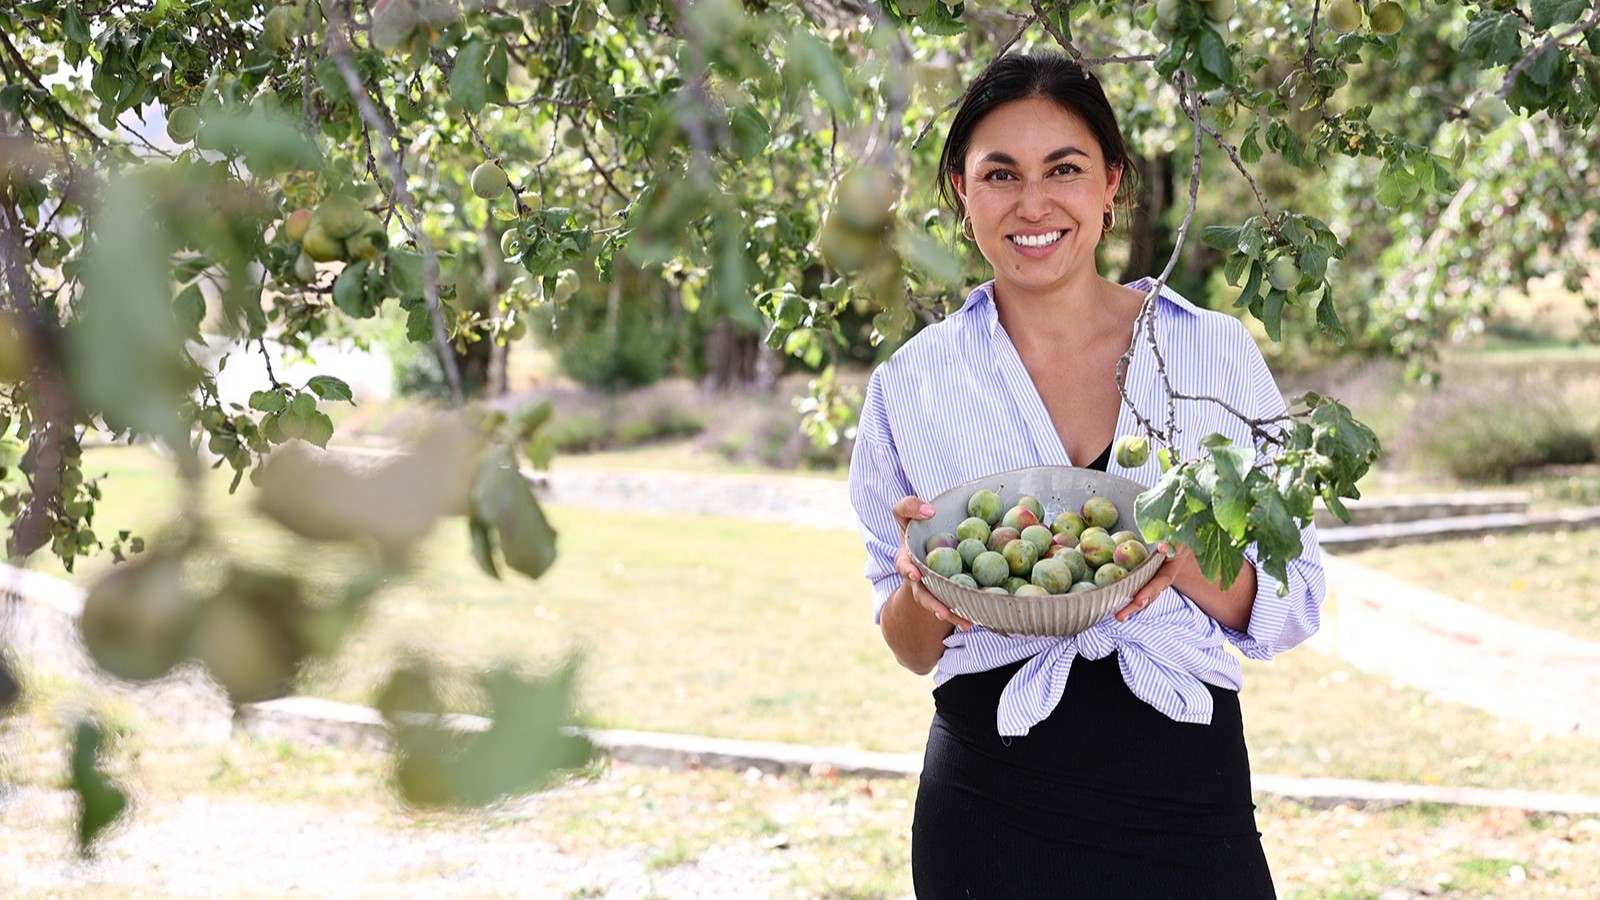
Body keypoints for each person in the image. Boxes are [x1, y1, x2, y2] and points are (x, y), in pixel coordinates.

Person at [846, 52, 1325, 899]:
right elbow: (908, 651)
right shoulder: (910, 386)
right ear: (962, 192)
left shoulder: (1211, 353)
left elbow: (1297, 601)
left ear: (1112, 183)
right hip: (988, 810)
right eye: (1001, 174)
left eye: (1062, 169)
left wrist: (1187, 559)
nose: (1033, 204)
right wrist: (921, 594)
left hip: (1185, 799)